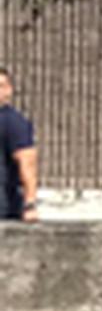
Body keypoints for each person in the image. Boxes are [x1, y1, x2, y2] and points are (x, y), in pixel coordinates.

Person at [0, 67, 35, 223]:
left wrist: (30, 205)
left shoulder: (13, 123)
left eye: (1, 86)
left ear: (9, 90)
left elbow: (27, 163)